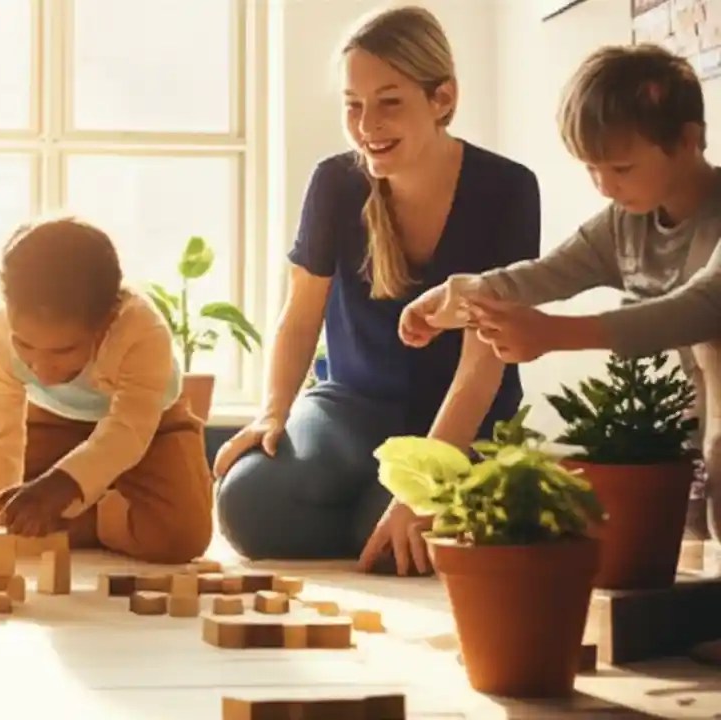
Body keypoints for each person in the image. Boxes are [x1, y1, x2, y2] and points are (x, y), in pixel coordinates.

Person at [397, 44, 721, 662]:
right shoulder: (624, 223)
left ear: (688, 141)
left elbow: (699, 307)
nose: (604, 185)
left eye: (620, 167)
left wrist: (554, 334)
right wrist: (458, 296)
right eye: (592, 168)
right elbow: (546, 274)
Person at [211, 5, 540, 574]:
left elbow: (482, 365)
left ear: (442, 99)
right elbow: (300, 314)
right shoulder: (334, 183)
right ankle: (373, 516)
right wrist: (272, 412)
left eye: (389, 102)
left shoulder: (509, 189)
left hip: (462, 419)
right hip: (349, 410)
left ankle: (378, 513)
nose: (367, 125)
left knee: (420, 530)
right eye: (353, 105)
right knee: (244, 502)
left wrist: (423, 484)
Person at [0, 216, 213, 564]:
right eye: (26, 346)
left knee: (181, 535)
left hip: (149, 427)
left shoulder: (143, 330)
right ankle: (76, 515)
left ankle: (89, 514)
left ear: (105, 323)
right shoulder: (0, 333)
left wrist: (65, 484)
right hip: (49, 419)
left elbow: (127, 432)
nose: (42, 368)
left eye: (63, 351)